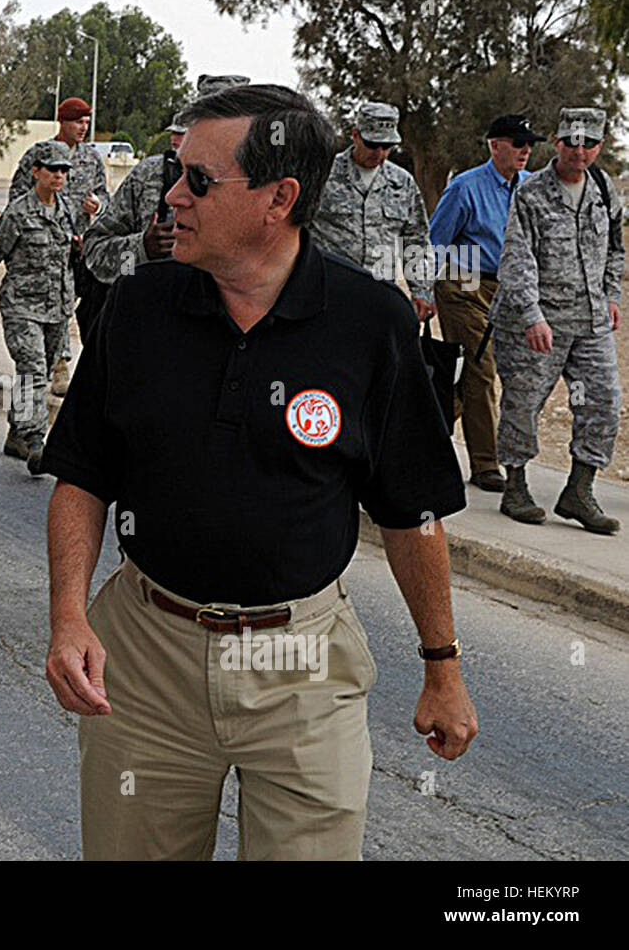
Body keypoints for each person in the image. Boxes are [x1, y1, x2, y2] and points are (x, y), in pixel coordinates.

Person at [40, 84, 478, 861]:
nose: (172, 194)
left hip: (303, 668)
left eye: (199, 181)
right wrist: (70, 616)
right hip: (145, 661)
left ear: (279, 199)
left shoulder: (369, 322)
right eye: (178, 171)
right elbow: (82, 474)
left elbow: (413, 513)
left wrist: (442, 668)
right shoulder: (138, 306)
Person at [491, 107, 623, 534]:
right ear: (558, 141)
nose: (579, 152)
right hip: (537, 325)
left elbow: (616, 248)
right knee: (524, 403)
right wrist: (532, 316)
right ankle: (516, 487)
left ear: (600, 146)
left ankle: (579, 492)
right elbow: (517, 260)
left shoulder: (605, 189)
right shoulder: (531, 194)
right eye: (571, 142)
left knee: (600, 402)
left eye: (589, 144)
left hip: (590, 324)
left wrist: (612, 295)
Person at [428, 114, 545, 492]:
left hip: (512, 289)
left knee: (490, 375)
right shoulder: (465, 188)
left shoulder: (532, 188)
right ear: (495, 145)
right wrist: (422, 292)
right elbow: (435, 242)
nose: (526, 149)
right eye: (517, 143)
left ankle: (426, 430)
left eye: (529, 143)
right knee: (480, 370)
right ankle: (485, 464)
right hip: (465, 285)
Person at [0, 140, 75, 472]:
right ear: (36, 172)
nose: (59, 176)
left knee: (42, 374)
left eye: (64, 171)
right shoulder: (19, 213)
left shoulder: (69, 212)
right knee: (33, 370)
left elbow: (74, 259)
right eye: (52, 169)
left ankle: (16, 433)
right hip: (21, 306)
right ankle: (36, 442)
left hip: (57, 308)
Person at [83, 74, 249, 288]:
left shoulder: (266, 185)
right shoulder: (150, 175)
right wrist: (142, 249)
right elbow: (97, 254)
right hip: (158, 314)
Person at [10, 97, 108, 394]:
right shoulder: (37, 155)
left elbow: (106, 195)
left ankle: (68, 362)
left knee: (74, 301)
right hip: (44, 244)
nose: (83, 127)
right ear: (62, 122)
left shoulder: (91, 158)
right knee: (58, 301)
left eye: (87, 122)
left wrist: (97, 205)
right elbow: (16, 197)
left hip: (79, 244)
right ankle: (59, 365)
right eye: (78, 121)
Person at [311, 101, 436, 320]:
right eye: (372, 144)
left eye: (387, 147)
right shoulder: (322, 174)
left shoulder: (402, 182)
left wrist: (421, 290)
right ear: (355, 135)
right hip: (328, 293)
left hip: (379, 295)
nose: (379, 153)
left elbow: (416, 240)